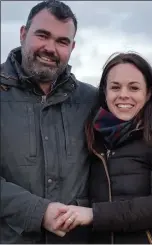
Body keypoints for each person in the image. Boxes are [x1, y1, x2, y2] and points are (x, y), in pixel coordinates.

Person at [0, 0, 97, 243]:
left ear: (72, 47)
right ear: (23, 34)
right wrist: (38, 212)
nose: (50, 48)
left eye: (62, 41)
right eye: (42, 35)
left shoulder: (93, 100)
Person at [53, 52, 152, 244]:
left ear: (147, 94)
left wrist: (94, 215)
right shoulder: (94, 139)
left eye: (134, 87)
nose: (123, 95)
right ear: (104, 92)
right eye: (115, 87)